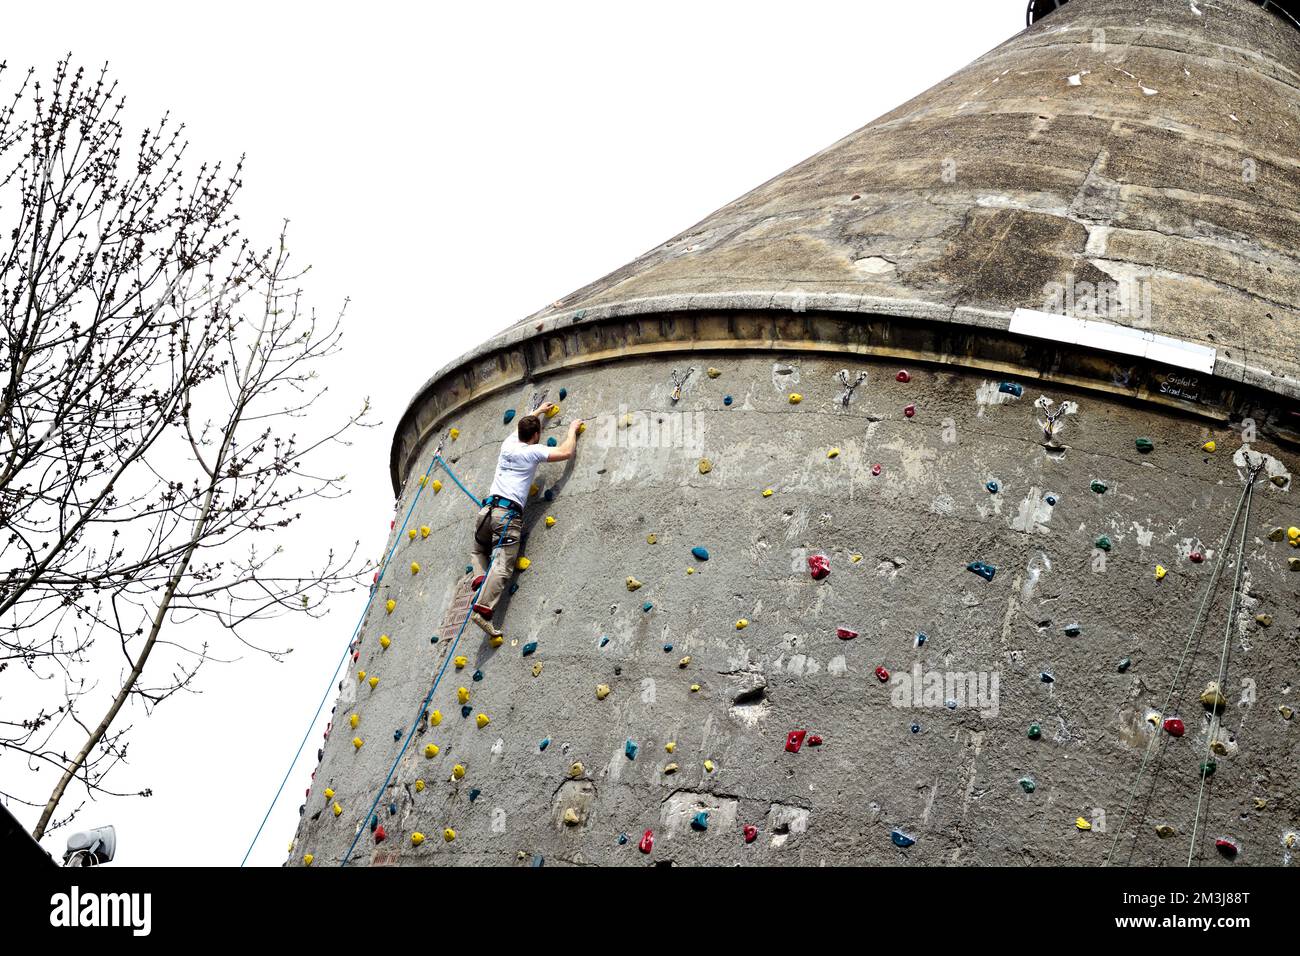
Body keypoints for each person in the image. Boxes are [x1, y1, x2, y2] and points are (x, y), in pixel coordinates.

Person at [469, 402, 582, 638]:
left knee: (479, 547)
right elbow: (565, 452)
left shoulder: (508, 444)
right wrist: (572, 429)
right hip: (507, 516)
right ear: (537, 435)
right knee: (503, 564)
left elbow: (526, 419)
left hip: (486, 512)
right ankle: (483, 609)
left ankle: (480, 578)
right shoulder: (533, 451)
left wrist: (538, 410)